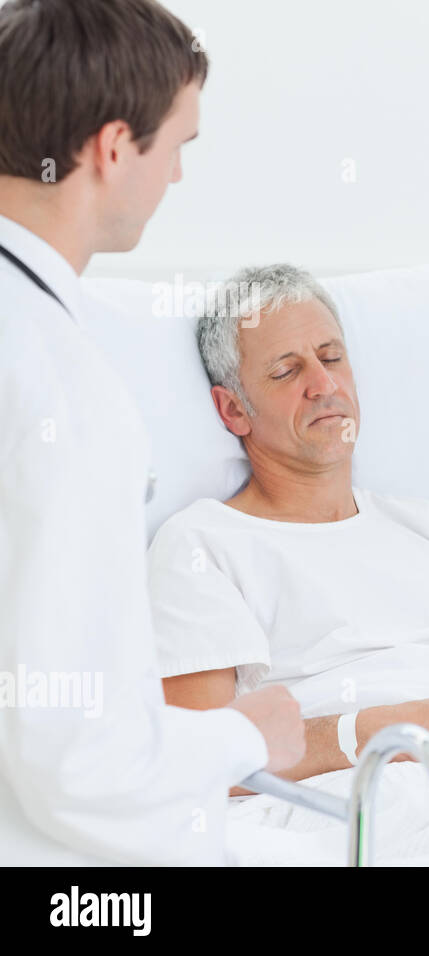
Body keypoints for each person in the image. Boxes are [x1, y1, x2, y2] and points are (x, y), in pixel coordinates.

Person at [0, 0, 304, 864]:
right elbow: (78, 763)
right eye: (178, 147)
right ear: (110, 146)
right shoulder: (62, 389)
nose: (175, 178)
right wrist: (248, 736)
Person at [150, 264, 429, 777]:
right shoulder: (203, 546)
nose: (324, 384)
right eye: (287, 371)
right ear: (234, 409)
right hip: (370, 803)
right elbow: (196, 760)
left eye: (331, 357)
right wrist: (387, 733)